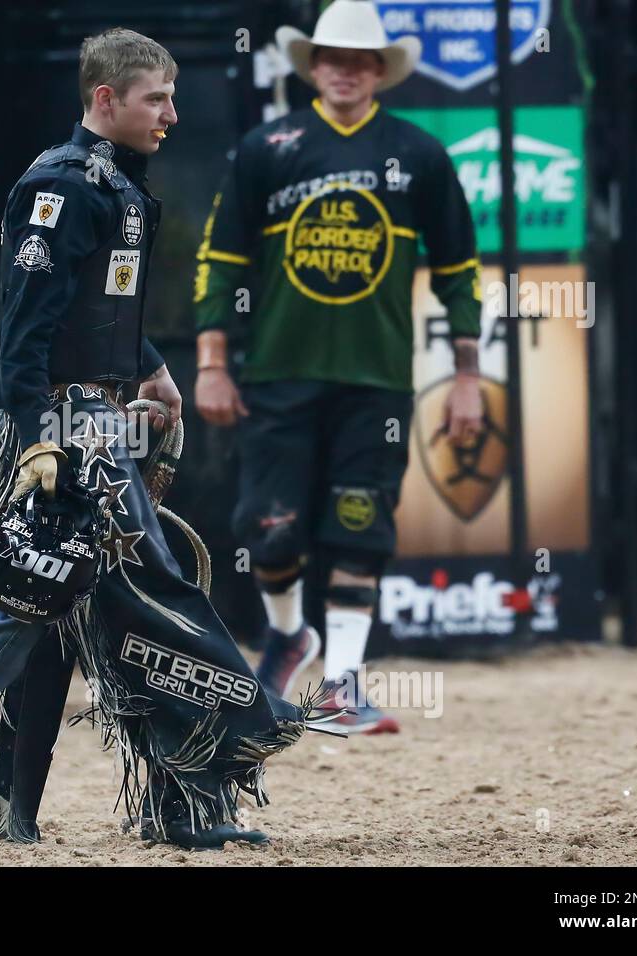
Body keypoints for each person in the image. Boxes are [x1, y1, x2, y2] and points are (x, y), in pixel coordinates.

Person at [0, 27, 343, 850]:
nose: (173, 112)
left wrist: (150, 367)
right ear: (106, 101)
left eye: (173, 96)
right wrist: (38, 443)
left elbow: (94, 306)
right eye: (156, 98)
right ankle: (205, 769)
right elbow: (24, 332)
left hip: (97, 417)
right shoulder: (61, 190)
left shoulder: (117, 188)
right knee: (146, 600)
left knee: (35, 613)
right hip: (70, 433)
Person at [193, 0, 484, 732]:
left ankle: (342, 688)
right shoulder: (269, 146)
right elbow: (220, 260)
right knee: (271, 529)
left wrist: (469, 379)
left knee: (360, 529)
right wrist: (211, 362)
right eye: (332, 58)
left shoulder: (420, 154)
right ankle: (291, 634)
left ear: (380, 71)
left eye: (359, 60)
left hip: (376, 379)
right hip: (278, 372)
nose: (345, 71)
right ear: (312, 66)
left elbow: (460, 271)